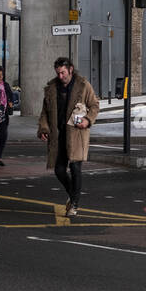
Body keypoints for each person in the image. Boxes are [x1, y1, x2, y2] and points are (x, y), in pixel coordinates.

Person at [38, 57, 100, 217]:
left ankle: (74, 204)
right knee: (59, 170)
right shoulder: (51, 88)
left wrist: (87, 120)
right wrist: (44, 128)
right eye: (58, 73)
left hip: (77, 134)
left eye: (63, 73)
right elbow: (45, 112)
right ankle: (73, 195)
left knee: (75, 168)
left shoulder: (83, 85)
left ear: (70, 69)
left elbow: (94, 105)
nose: (60, 76)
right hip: (58, 134)